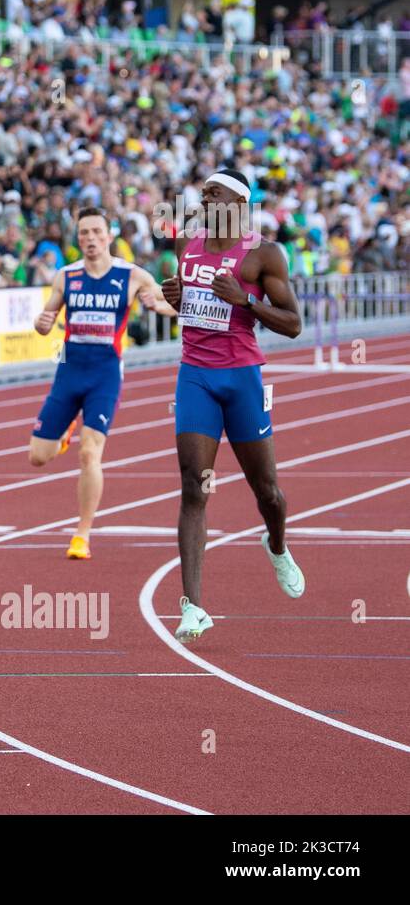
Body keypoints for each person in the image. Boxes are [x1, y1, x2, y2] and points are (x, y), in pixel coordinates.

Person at [159, 169, 304, 643]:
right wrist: (175, 298)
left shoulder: (264, 254)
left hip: (242, 379)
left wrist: (246, 302)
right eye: (201, 193)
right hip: (195, 376)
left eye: (213, 193)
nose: (203, 198)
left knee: (268, 493)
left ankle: (277, 545)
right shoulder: (186, 246)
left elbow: (293, 324)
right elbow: (191, 307)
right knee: (193, 489)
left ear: (239, 203)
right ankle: (193, 606)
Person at [27, 208, 176, 559]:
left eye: (96, 232)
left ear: (109, 236)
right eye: (83, 234)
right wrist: (42, 323)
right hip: (68, 372)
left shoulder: (132, 275)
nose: (90, 239)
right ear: (77, 239)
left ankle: (82, 534)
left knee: (90, 453)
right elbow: (44, 320)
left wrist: (161, 305)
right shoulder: (66, 277)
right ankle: (61, 436)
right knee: (37, 457)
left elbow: (170, 303)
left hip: (105, 375)